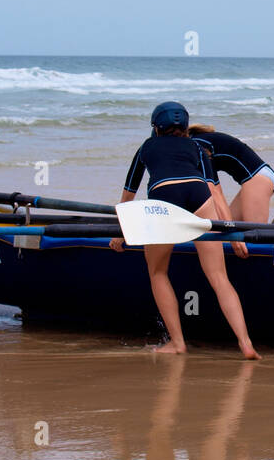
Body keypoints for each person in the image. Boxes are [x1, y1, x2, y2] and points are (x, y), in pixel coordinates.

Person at [110, 102, 260, 360]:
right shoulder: (197, 147)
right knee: (219, 276)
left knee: (158, 272)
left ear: (156, 127)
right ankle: (246, 344)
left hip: (165, 196)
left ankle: (177, 343)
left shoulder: (146, 147)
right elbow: (215, 192)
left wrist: (120, 231)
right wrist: (232, 233)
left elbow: (128, 195)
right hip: (199, 194)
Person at [187, 125, 274, 223]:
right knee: (233, 229)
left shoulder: (198, 145)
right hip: (258, 176)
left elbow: (215, 191)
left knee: (253, 231)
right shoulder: (198, 139)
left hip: (257, 179)